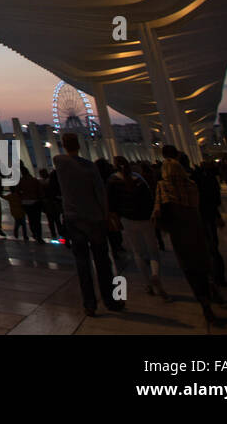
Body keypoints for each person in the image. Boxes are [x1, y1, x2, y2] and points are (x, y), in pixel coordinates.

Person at [54, 132, 121, 317]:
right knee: (103, 261)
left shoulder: (60, 163)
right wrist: (106, 215)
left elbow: (59, 156)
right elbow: (100, 193)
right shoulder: (90, 167)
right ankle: (110, 300)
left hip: (73, 219)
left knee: (82, 263)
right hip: (94, 218)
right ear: (79, 145)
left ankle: (89, 304)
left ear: (63, 145)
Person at [153, 147, 219, 327]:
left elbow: (158, 213)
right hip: (196, 227)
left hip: (179, 232)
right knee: (204, 260)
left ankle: (203, 300)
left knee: (189, 266)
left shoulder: (163, 187)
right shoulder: (191, 185)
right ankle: (211, 286)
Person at [108, 156, 170, 301]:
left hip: (128, 220)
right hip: (145, 218)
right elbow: (150, 198)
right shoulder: (139, 179)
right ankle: (155, 274)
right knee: (153, 252)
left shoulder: (112, 181)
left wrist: (116, 218)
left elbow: (111, 203)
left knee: (138, 252)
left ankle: (147, 284)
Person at [191, 157, 227, 289]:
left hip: (198, 218)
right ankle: (217, 277)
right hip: (207, 217)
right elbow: (213, 199)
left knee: (207, 248)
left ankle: (211, 278)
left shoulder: (194, 179)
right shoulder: (205, 179)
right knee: (212, 248)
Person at [16, 165, 45, 243]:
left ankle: (34, 233)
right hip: (35, 202)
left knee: (31, 219)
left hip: (26, 203)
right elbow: (40, 191)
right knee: (37, 220)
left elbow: (17, 191)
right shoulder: (34, 180)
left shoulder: (21, 181)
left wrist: (22, 197)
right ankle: (39, 236)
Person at [40, 168, 62, 239]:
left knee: (51, 220)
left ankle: (54, 234)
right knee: (57, 220)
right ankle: (61, 233)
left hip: (48, 204)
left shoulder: (43, 182)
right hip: (53, 203)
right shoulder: (52, 181)